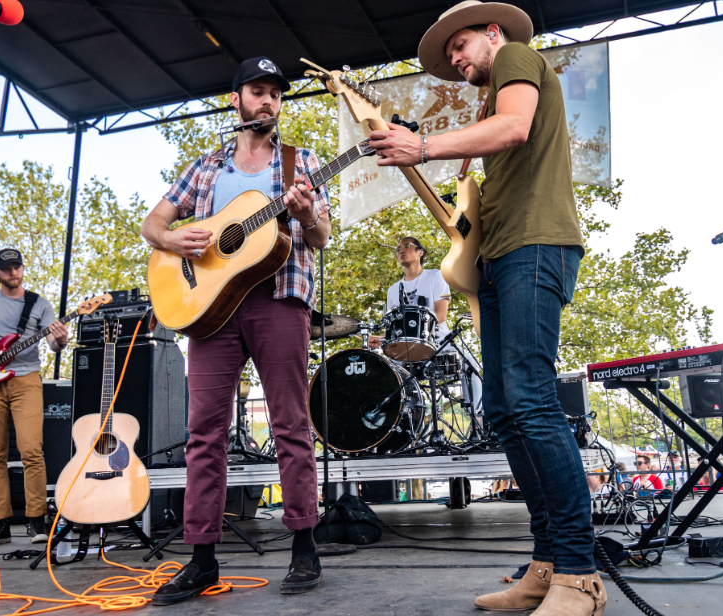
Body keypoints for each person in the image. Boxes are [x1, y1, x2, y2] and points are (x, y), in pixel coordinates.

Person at [369, 2, 603, 614]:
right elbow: (469, 211)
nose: (455, 56)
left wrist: (422, 146)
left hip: (535, 245)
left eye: (461, 44)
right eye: (449, 53)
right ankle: (547, 562)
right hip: (499, 255)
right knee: (503, 409)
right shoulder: (484, 110)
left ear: (493, 34)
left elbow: (515, 127)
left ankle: (580, 573)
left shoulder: (517, 58)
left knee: (529, 396)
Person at [141, 56, 331, 605]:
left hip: (279, 301)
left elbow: (318, 237)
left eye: (275, 93)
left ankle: (303, 545)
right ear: (236, 100)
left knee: (291, 423)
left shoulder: (301, 163)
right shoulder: (205, 166)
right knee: (204, 433)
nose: (268, 100)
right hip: (208, 312)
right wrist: (174, 241)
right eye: (257, 90)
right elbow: (153, 223)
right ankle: (201, 558)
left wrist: (305, 215)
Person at [0, 248, 69, 547]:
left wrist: (60, 338)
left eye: (17, 267)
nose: (13, 272)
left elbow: (53, 343)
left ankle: (37, 521)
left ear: (22, 269)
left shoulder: (39, 304)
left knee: (31, 451)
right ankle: (1, 524)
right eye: (6, 268)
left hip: (26, 381)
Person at [367, 236, 450, 351]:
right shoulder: (392, 290)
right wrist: (381, 339)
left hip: (439, 344)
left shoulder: (436, 276)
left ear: (420, 252)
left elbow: (441, 315)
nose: (401, 251)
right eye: (398, 249)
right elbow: (394, 328)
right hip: (406, 351)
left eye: (407, 246)